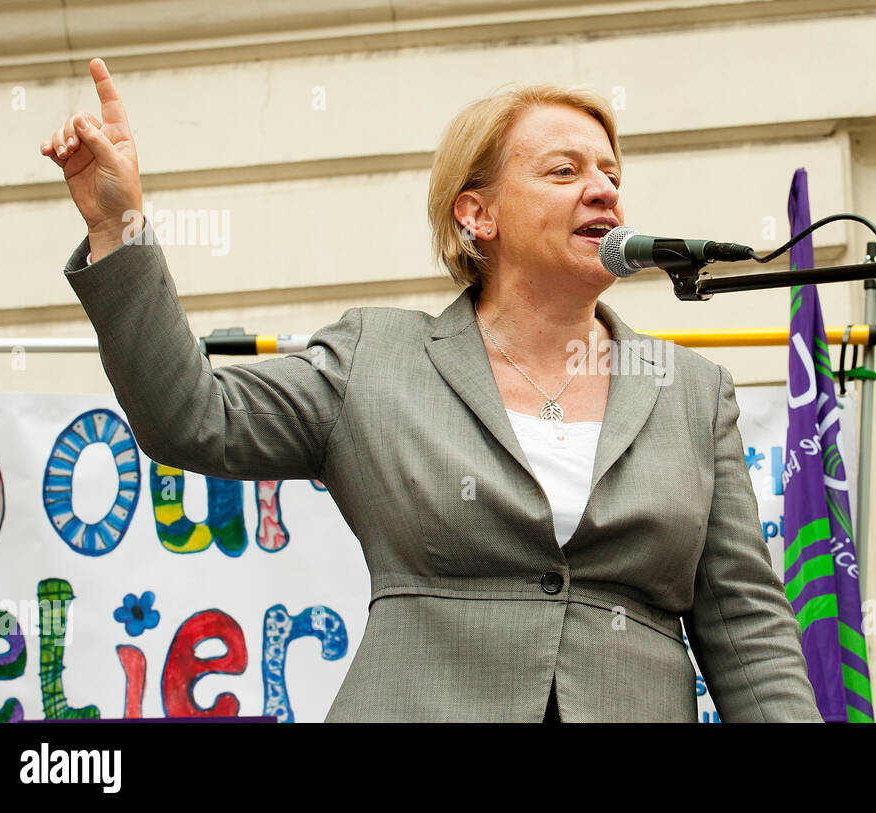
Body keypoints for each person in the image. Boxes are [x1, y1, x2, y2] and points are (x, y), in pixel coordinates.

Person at [42, 58, 823, 722]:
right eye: (564, 170)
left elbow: (748, 630)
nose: (604, 191)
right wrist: (121, 230)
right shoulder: (375, 359)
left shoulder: (690, 391)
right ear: (475, 213)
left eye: (611, 175)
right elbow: (191, 417)